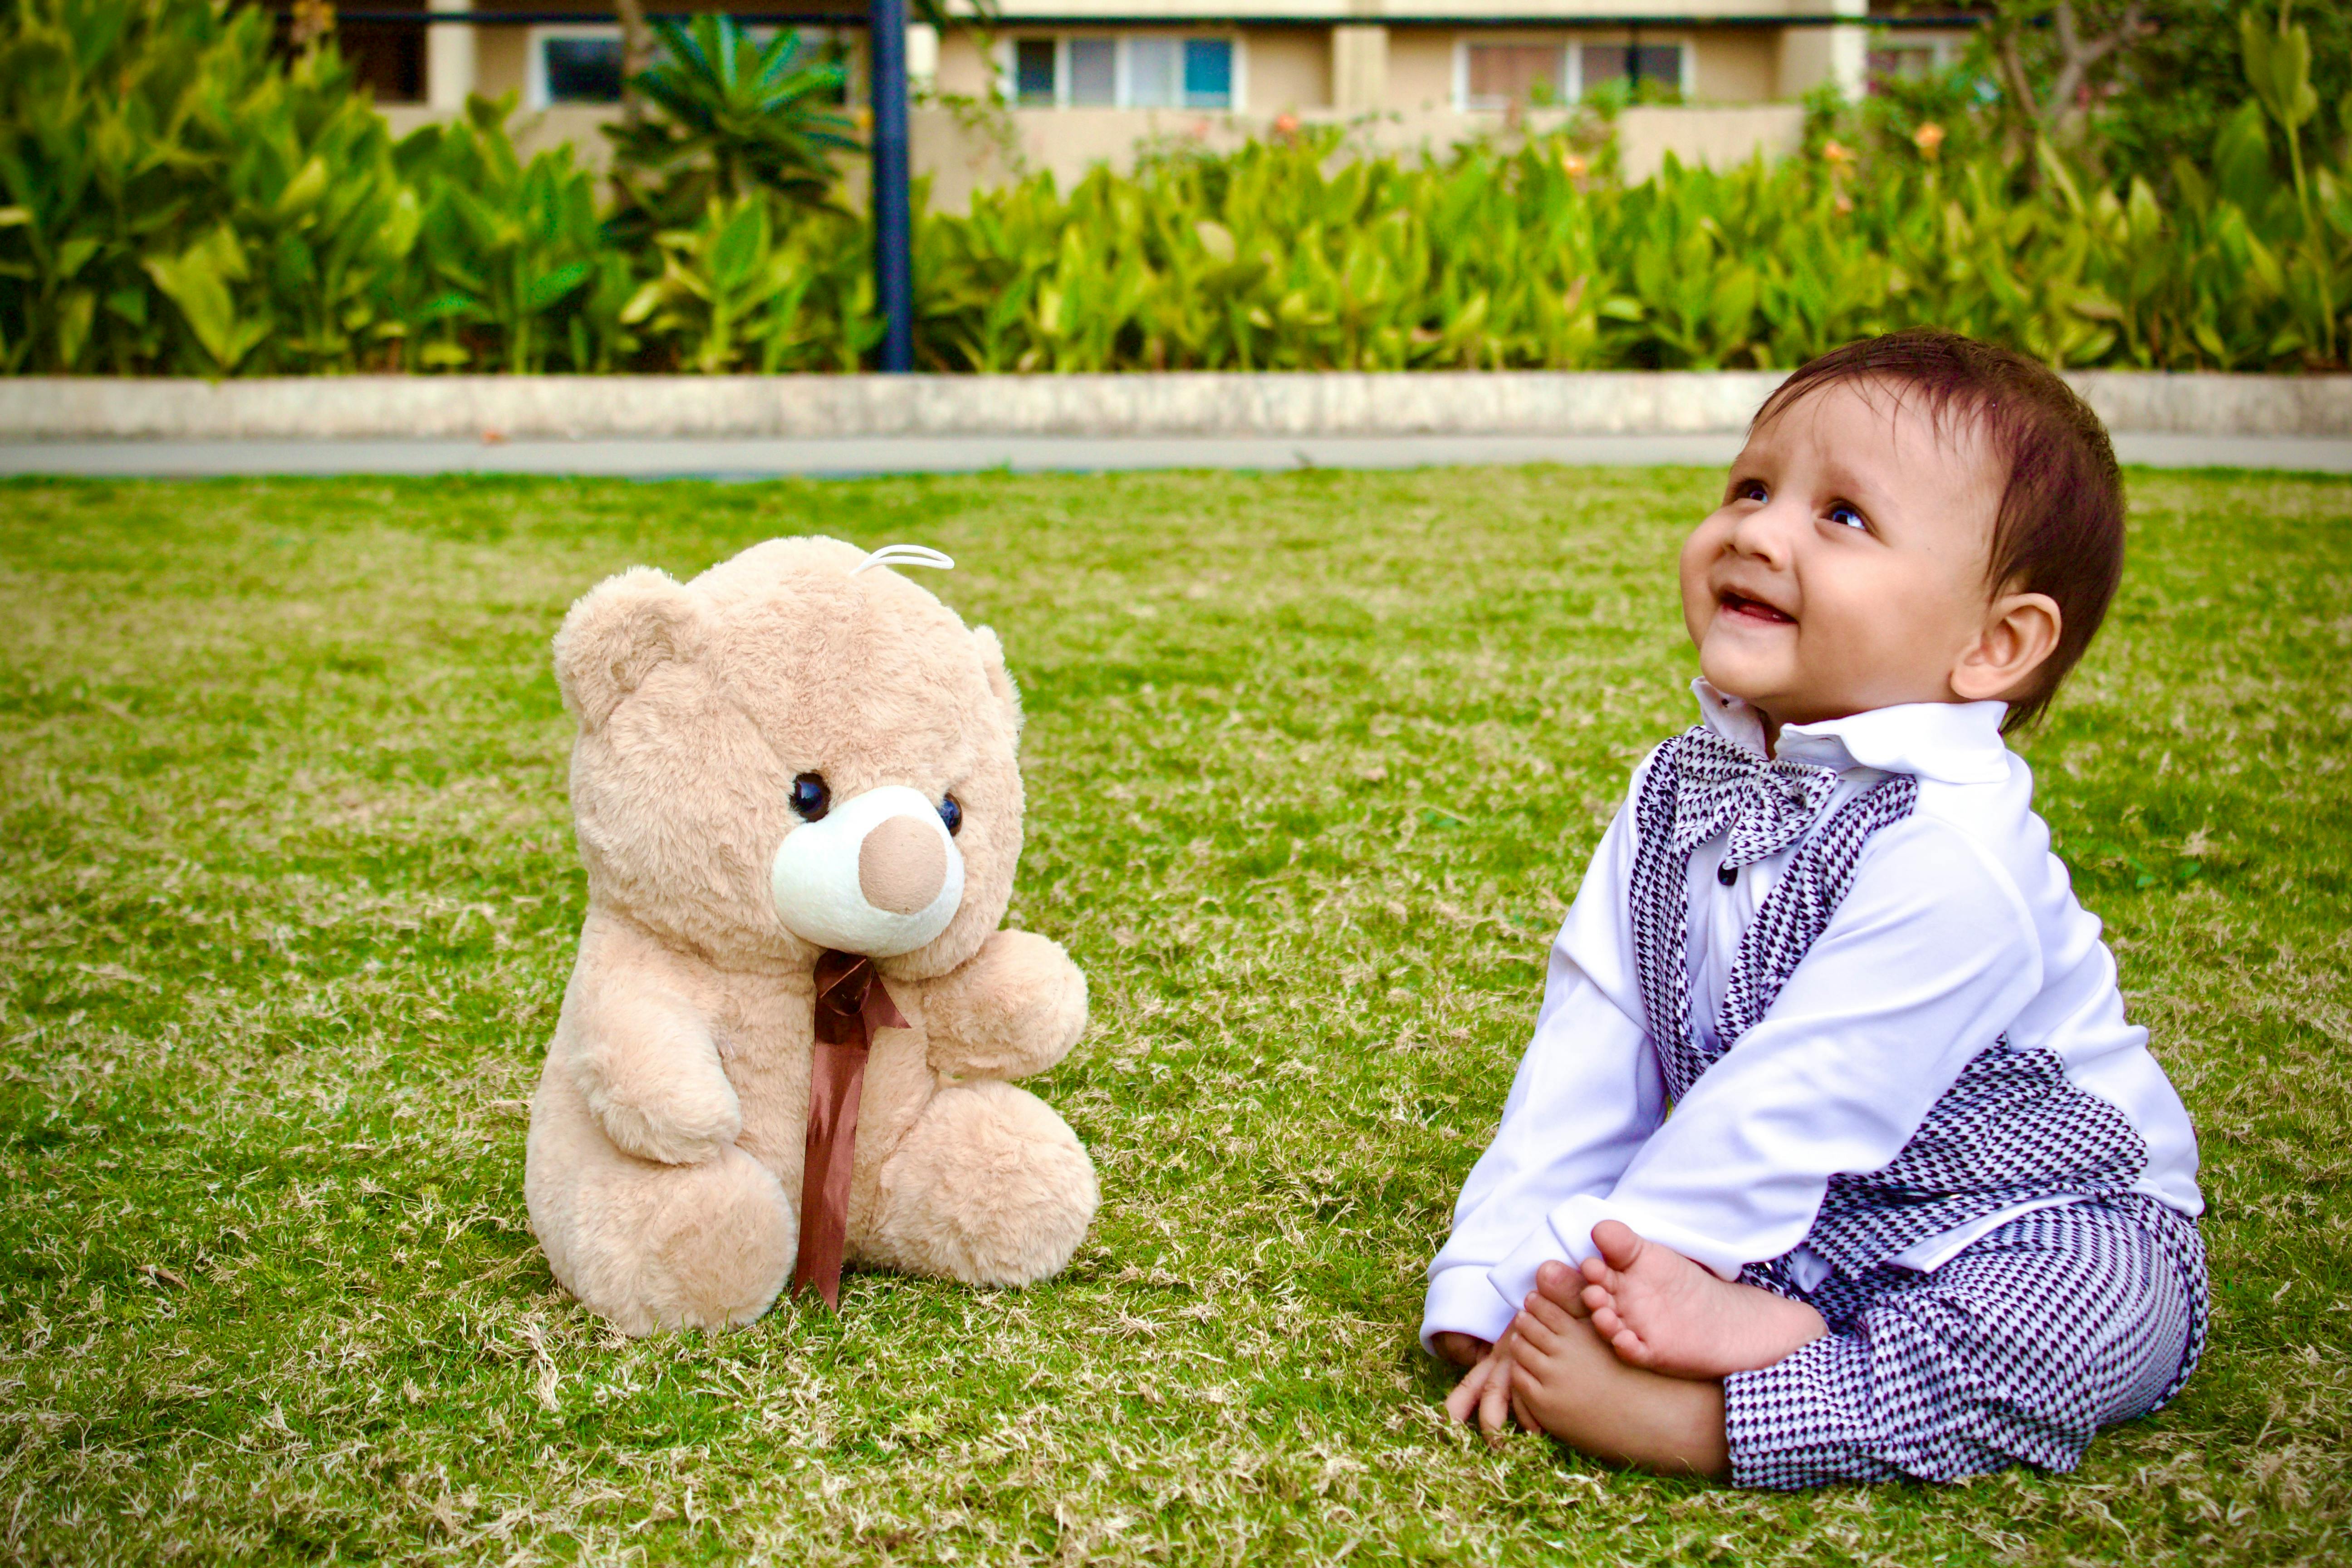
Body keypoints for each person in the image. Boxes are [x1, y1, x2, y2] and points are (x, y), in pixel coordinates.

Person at [1424, 330, 2206, 1488]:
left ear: (1997, 645)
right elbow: (1592, 1049)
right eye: (1752, 486)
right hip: (1810, 1220)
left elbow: (1797, 1099)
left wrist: (1601, 1296)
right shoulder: (1675, 785)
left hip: (2027, 1217)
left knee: (2073, 1326)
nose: (1758, 531)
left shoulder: (1953, 850)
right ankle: (1766, 1323)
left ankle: (1717, 1417)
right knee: (1711, 1223)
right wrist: (1499, 1284)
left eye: (1843, 517)